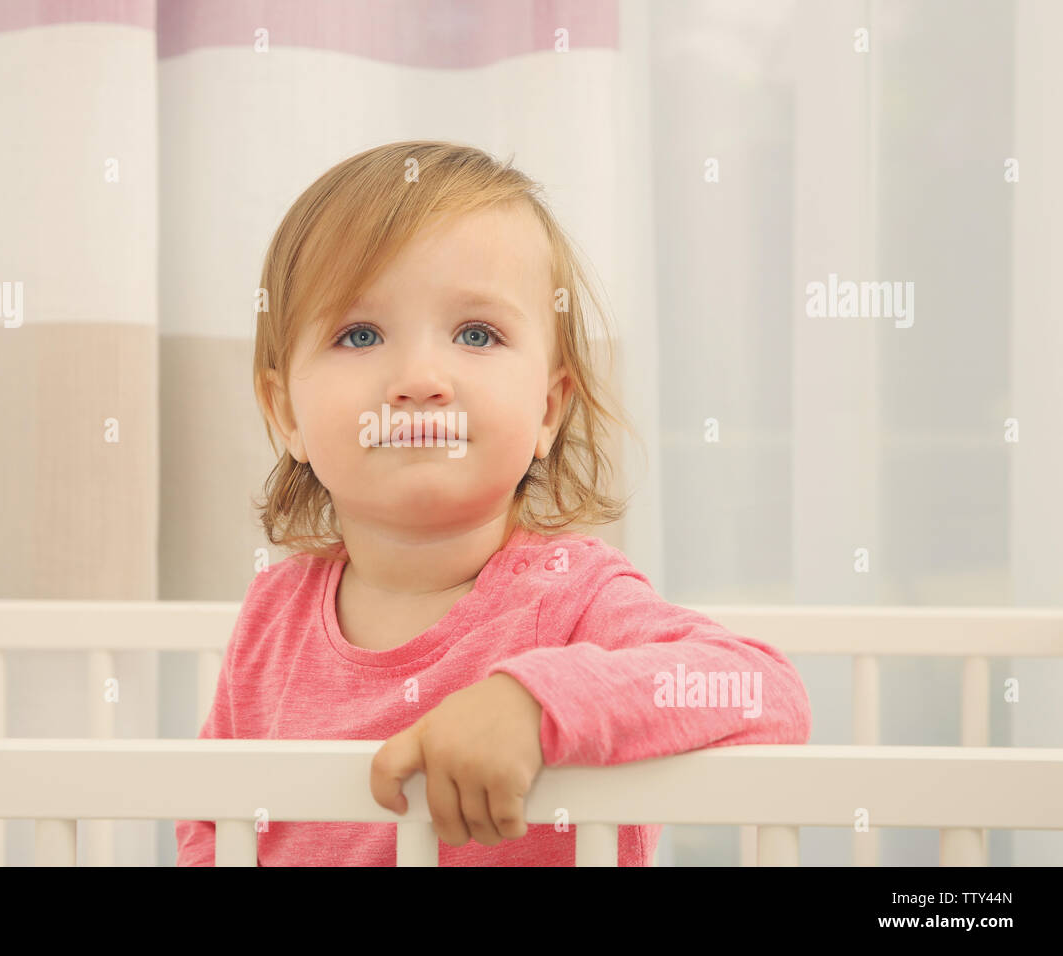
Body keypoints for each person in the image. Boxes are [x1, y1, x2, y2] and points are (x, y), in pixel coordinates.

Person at [176, 141, 812, 866]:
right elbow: (212, 827)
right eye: (360, 334)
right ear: (285, 410)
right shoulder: (273, 614)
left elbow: (766, 690)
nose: (419, 378)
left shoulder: (572, 599)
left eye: (476, 334)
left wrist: (538, 704)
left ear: (548, 408)